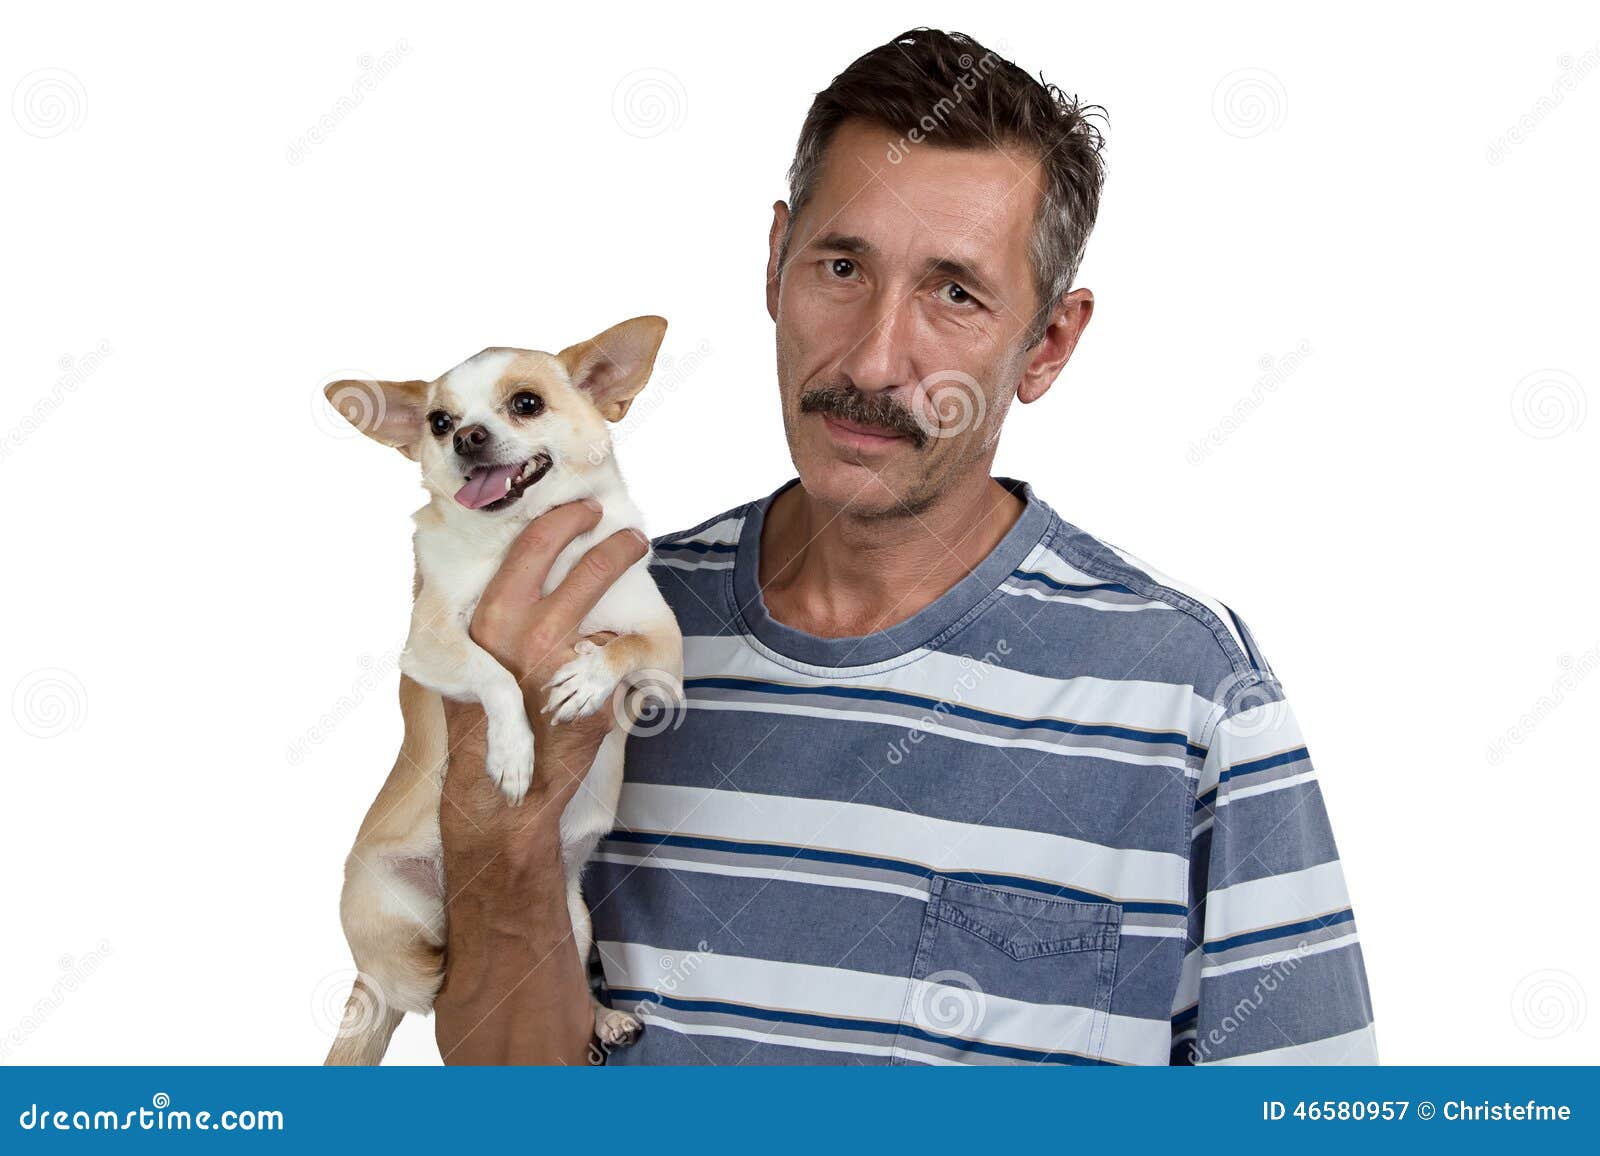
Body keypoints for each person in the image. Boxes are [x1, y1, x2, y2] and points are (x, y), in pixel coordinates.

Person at [432, 27, 1376, 1066]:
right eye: (842, 266)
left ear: (1048, 344)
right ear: (774, 263)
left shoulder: (1186, 690)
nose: (875, 359)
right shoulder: (607, 624)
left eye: (956, 292)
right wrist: (505, 836)